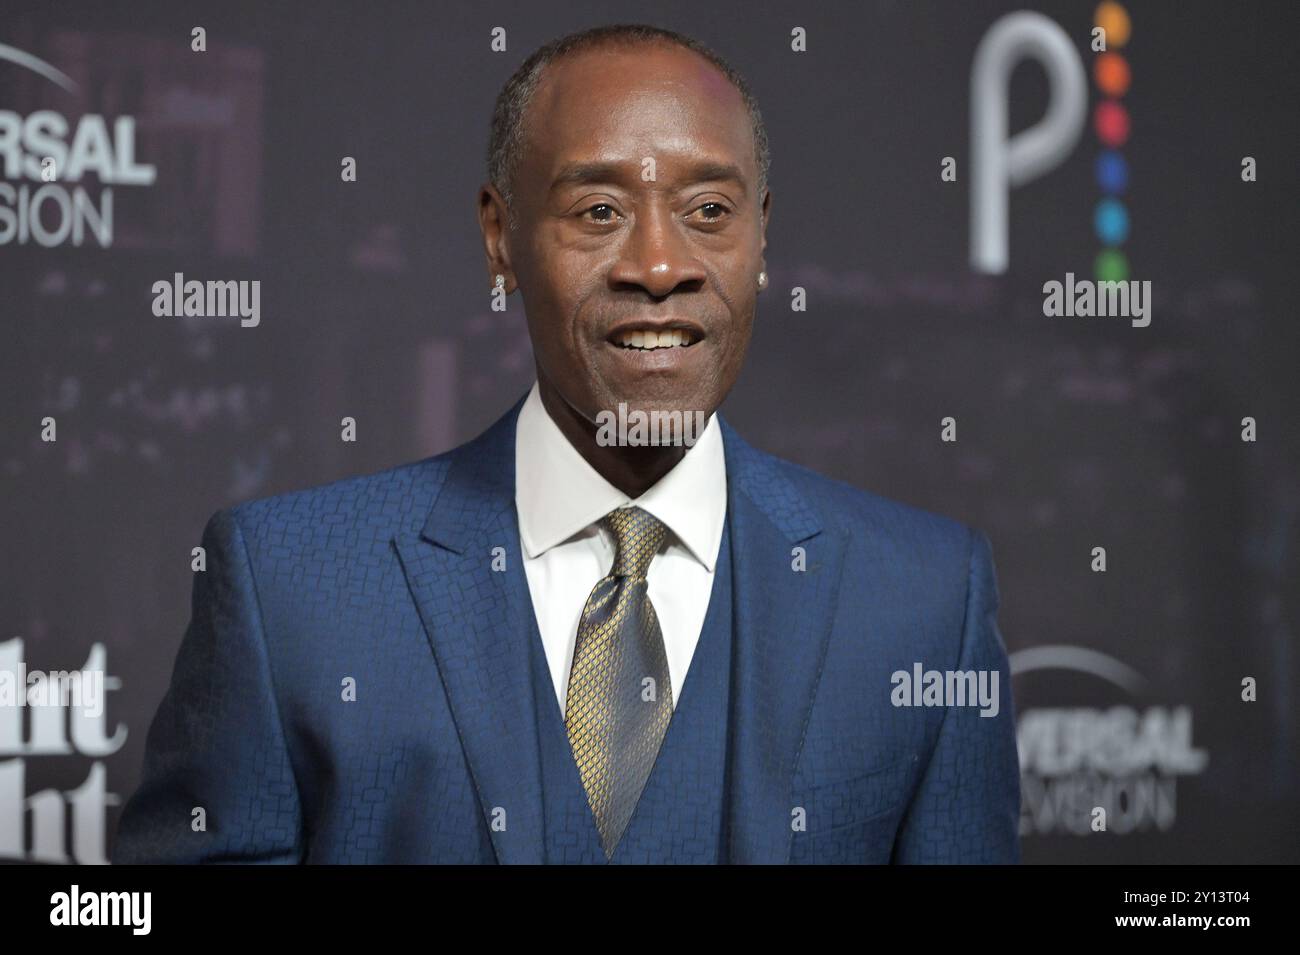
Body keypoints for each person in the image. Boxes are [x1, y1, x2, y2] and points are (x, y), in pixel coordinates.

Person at [113, 23, 1019, 865]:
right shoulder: (287, 587)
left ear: (762, 235)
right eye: (597, 211)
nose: (659, 266)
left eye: (708, 209)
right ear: (500, 237)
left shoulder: (927, 601)